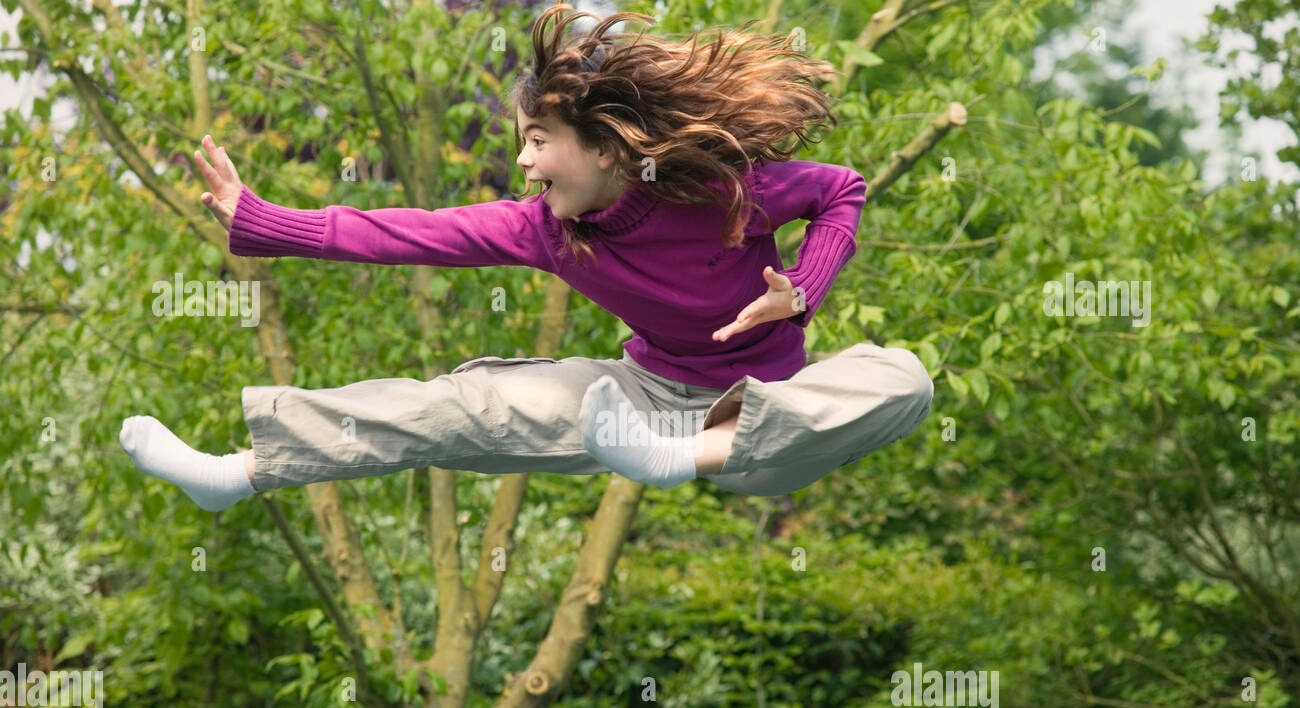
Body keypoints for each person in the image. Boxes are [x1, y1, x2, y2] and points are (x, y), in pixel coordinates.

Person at [119, 4, 933, 512]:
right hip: (641, 397)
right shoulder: (543, 229)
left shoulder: (719, 189)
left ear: (607, 146)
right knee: (457, 403)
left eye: (540, 143)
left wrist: (802, 291)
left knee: (907, 378)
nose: (527, 164)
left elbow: (842, 189)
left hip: (772, 413)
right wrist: (260, 220)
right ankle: (240, 472)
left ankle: (683, 457)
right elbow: (404, 231)